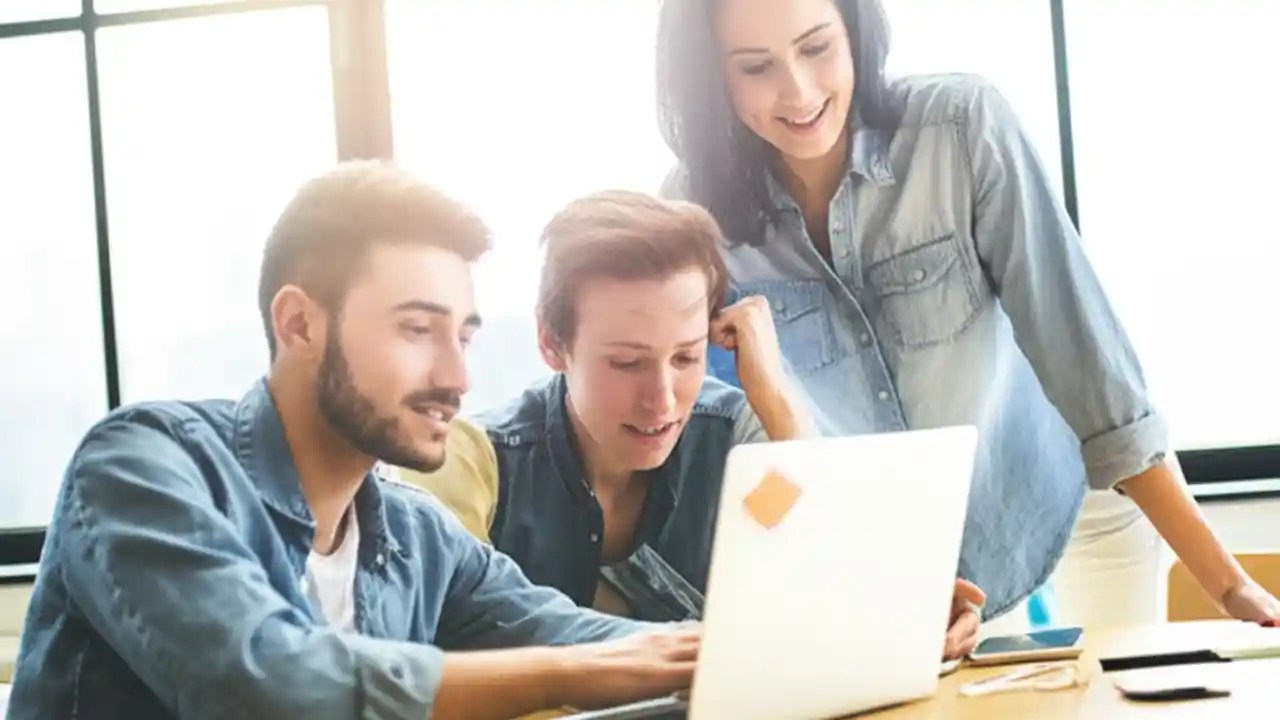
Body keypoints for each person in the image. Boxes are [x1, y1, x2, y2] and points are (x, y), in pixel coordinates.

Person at [654, 0, 1280, 631]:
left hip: (1069, 505)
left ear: (854, 34)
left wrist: (1229, 589)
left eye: (816, 48)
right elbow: (756, 459)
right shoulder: (693, 220)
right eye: (755, 67)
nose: (798, 90)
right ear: (712, 77)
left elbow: (1089, 364)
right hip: (915, 569)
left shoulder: (959, 128)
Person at [8, 162, 699, 720]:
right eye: (417, 330)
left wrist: (731, 652)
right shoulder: (143, 465)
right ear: (301, 325)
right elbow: (266, 685)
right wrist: (580, 673)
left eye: (463, 336)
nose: (458, 377)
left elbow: (578, 635)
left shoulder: (416, 536)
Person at [403, 190, 986, 660]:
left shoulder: (736, 444)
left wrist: (777, 397)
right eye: (626, 363)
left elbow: (831, 561)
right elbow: (438, 632)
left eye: (685, 357)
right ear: (552, 344)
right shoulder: (473, 460)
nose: (661, 401)